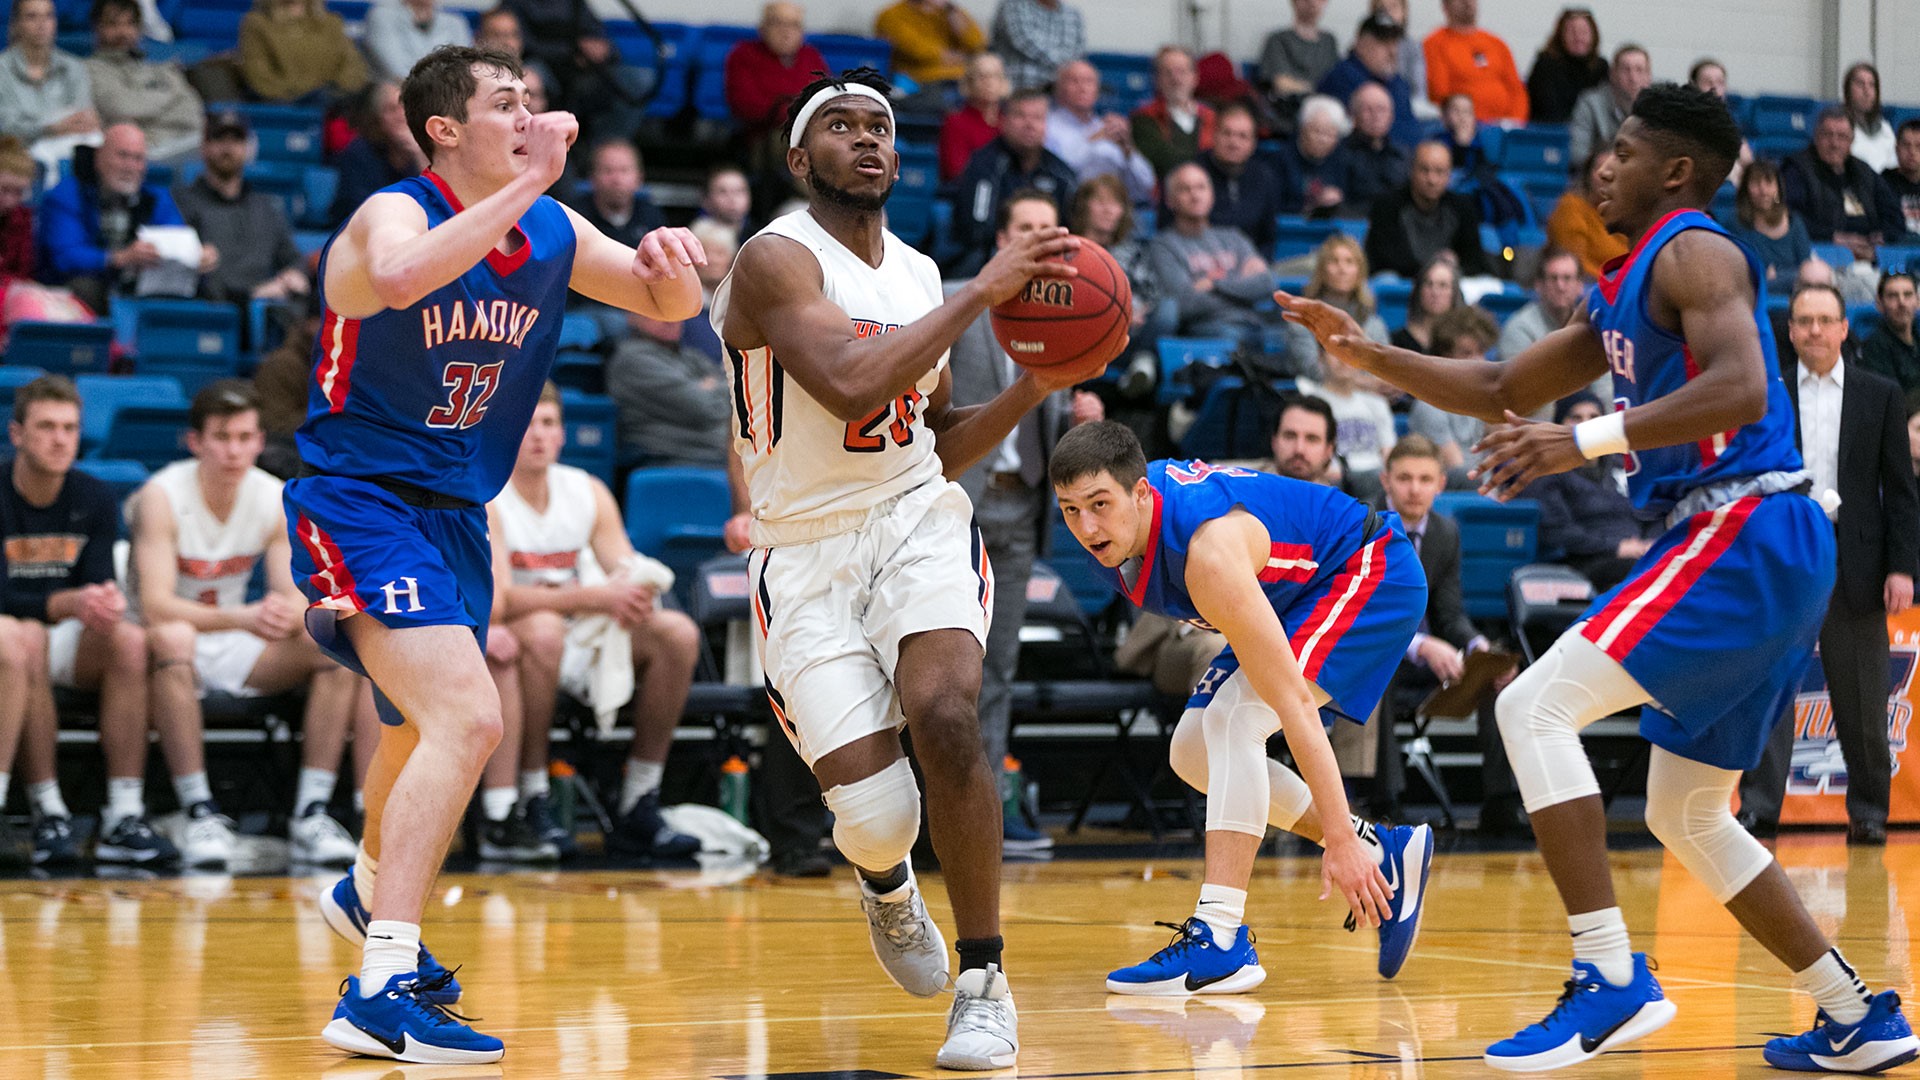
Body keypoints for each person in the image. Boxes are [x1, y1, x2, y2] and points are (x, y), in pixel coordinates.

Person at [1279, 81, 1920, 1074]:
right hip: (1744, 538)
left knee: (1531, 706)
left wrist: (1585, 440)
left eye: (1621, 151)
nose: (1600, 166)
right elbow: (1500, 389)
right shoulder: (1625, 284)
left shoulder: (1697, 249)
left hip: (1746, 522)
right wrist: (1365, 355)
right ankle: (1857, 1013)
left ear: (1673, 170)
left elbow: (1745, 385)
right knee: (1687, 811)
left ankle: (1609, 977)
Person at [293, 45, 704, 1063]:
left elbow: (670, 311)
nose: (531, 113)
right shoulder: (394, 213)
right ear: (443, 128)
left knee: (411, 736)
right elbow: (394, 278)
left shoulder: (552, 227)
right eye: (505, 101)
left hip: (455, 515)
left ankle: (361, 895)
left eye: (533, 98)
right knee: (470, 716)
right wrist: (531, 180)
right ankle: (381, 983)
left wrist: (678, 269)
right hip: (362, 497)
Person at [712, 66, 1088, 1069]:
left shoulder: (920, 274)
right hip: (801, 550)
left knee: (950, 713)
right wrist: (985, 290)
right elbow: (845, 385)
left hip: (916, 518)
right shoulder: (772, 260)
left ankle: (985, 982)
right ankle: (886, 884)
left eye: (880, 125)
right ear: (800, 159)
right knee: (878, 819)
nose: (867, 139)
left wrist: (1038, 385)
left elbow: (935, 439)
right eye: (840, 126)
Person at [1048, 421, 1434, 992]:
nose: (1087, 526)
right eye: (1070, 510)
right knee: (1191, 752)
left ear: (1139, 493)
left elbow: (1297, 707)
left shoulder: (1207, 555)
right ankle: (1386, 850)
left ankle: (1221, 935)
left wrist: (1338, 841)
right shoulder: (1124, 533)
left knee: (1238, 720)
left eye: (1099, 504)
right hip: (1299, 593)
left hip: (1368, 571)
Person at [130, 381, 365, 869]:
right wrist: (243, 617)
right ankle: (199, 810)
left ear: (260, 441)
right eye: (222, 437)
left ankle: (311, 812)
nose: (234, 450)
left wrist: (287, 610)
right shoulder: (162, 495)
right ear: (196, 442)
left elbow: (287, 589)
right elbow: (155, 606)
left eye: (244, 437)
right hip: (165, 647)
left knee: (331, 643)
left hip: (233, 640)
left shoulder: (273, 495)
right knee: (172, 636)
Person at [489, 385, 705, 860]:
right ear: (505, 432)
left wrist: (634, 592)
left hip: (583, 630)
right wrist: (593, 597)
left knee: (678, 634)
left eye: (547, 423)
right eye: (526, 425)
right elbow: (499, 601)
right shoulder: (490, 496)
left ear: (563, 434)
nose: (538, 436)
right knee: (544, 629)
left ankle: (640, 797)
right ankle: (531, 795)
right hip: (521, 636)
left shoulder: (586, 490)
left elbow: (622, 569)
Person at [1737, 283, 1919, 846]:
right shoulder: (1768, 398)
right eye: (1804, 321)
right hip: (1784, 553)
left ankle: (1868, 811)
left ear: (1845, 329)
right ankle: (1760, 806)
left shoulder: (1880, 394)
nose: (1814, 330)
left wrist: (1902, 568)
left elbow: (1901, 490)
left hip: (1855, 557)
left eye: (1825, 320)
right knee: (1771, 687)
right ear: (1789, 332)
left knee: (1863, 692)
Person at [949, 189, 1090, 854]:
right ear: (1003, 236)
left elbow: (1043, 414)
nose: (1037, 239)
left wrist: (1077, 418)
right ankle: (927, 811)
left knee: (999, 668)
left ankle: (986, 815)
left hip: (1020, 507)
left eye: (1048, 230)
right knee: (949, 668)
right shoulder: (960, 300)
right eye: (1024, 227)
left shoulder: (1069, 311)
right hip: (953, 505)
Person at [2, 376, 167, 868]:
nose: (59, 439)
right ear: (17, 434)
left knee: (129, 641)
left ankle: (124, 812)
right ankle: (48, 808)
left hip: (58, 633)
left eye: (70, 428)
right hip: (10, 640)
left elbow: (95, 581)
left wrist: (102, 603)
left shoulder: (93, 496)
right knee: (24, 636)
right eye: (46, 427)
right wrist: (68, 604)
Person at [1372, 434, 1516, 825]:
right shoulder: (1365, 525)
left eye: (1424, 479)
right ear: (1386, 481)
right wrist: (1421, 646)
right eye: (1404, 478)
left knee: (1497, 673)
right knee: (1376, 672)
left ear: (1440, 484)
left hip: (1424, 657)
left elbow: (1450, 613)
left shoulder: (1445, 532)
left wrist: (1478, 646)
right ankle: (1386, 801)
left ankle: (1501, 802)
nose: (1414, 489)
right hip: (1371, 649)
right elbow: (1365, 614)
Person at [35, 123, 211, 315]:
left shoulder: (155, 198)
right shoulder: (65, 195)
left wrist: (197, 257)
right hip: (78, 289)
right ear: (98, 158)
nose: (130, 167)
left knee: (204, 292)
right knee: (85, 288)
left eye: (138, 158)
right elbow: (65, 257)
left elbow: (175, 238)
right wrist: (118, 258)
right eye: (122, 156)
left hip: (138, 285)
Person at [173, 110, 308, 306]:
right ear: (204, 146)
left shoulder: (266, 208)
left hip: (264, 312)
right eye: (219, 138)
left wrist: (293, 274)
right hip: (211, 313)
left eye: (236, 139)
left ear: (248, 148)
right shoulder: (182, 202)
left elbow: (293, 259)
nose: (228, 147)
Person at [1521, 392, 1649, 591]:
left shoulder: (1623, 464)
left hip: (1637, 551)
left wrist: (1651, 543)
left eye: (1594, 418)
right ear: (1559, 426)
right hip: (1580, 563)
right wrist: (1616, 547)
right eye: (1576, 418)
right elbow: (1557, 532)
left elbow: (1651, 511)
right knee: (1638, 571)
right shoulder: (1546, 471)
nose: (1586, 424)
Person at [949, 88, 1075, 275]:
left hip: (1049, 261)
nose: (1029, 124)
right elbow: (976, 230)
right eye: (1020, 116)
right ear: (1004, 121)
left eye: (1037, 118)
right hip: (989, 260)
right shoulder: (984, 165)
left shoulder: (1062, 173)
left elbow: (1072, 232)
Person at [1150, 162, 1276, 345]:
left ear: (1211, 194)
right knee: (1233, 337)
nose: (1195, 195)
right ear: (1170, 200)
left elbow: (1267, 283)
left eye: (1201, 187)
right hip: (1210, 331)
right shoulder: (1164, 246)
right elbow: (1183, 305)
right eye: (1185, 189)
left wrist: (1214, 285)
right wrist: (1243, 290)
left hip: (1254, 325)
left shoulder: (1234, 237)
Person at [501, 0, 649, 146]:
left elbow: (601, 37)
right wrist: (571, 52)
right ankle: (534, 143)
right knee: (530, 80)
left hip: (580, 71)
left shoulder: (575, 3)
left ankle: (606, 151)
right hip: (542, 65)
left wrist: (603, 50)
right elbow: (521, 43)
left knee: (635, 80)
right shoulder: (515, 3)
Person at [606, 307, 733, 467]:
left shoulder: (689, 355)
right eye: (657, 310)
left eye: (674, 309)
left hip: (713, 455)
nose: (670, 318)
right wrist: (718, 386)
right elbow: (705, 407)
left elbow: (737, 394)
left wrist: (712, 387)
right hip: (670, 460)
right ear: (631, 316)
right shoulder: (632, 360)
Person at [86, 0, 202, 166]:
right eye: (113, 24)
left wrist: (143, 112)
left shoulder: (159, 69)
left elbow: (192, 114)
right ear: (97, 28)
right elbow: (123, 108)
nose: (123, 32)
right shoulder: (89, 69)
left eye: (129, 24)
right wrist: (172, 92)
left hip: (182, 146)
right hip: (135, 152)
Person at [1781, 108, 1903, 263]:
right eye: (1827, 135)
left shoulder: (1864, 171)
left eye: (1842, 136)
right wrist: (1832, 237)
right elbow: (1789, 217)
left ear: (1851, 141)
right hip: (1820, 254)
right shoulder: (1797, 169)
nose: (1834, 143)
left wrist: (1882, 237)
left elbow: (1895, 216)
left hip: (1868, 255)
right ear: (1816, 137)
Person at [1364, 140, 1488, 279]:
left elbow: (1474, 261)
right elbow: (1383, 260)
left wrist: (1454, 264)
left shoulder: (1463, 208)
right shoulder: (1386, 207)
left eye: (1439, 171)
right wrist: (1435, 267)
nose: (1432, 179)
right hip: (1403, 285)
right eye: (1424, 170)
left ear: (1449, 175)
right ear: (1411, 170)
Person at [0, 0, 99, 169]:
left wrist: (53, 127)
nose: (41, 24)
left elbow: (83, 118)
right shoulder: (2, 69)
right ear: (16, 24)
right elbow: (6, 126)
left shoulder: (74, 67)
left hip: (68, 146)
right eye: (32, 17)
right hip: (16, 154)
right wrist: (49, 128)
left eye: (48, 16)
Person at [725, 2, 830, 159]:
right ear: (763, 28)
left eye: (794, 25)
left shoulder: (811, 56)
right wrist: (798, 114)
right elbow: (746, 106)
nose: (786, 31)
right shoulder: (743, 55)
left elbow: (826, 99)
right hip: (765, 136)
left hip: (812, 132)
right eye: (778, 23)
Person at [1407, 305, 1498, 485]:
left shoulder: (1483, 399)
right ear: (1445, 358)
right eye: (1467, 353)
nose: (1478, 362)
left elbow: (1506, 449)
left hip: (1485, 490)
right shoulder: (1429, 406)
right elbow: (1458, 469)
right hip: (1451, 491)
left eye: (1481, 352)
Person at [1045, 60, 1153, 204]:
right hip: (1069, 206)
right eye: (1074, 81)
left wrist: (1127, 150)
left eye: (1088, 81)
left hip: (1115, 206)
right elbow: (1056, 171)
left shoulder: (1108, 127)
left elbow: (1147, 184)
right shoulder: (1047, 125)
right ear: (1059, 88)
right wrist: (1094, 140)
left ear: (1097, 89)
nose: (1082, 87)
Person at [1283, 233, 1389, 380]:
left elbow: (1383, 372)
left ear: (1360, 271)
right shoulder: (1302, 321)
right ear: (1322, 270)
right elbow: (1313, 372)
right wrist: (1367, 384)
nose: (1342, 269)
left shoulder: (1374, 324)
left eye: (1349, 262)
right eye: (1334, 261)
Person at [1298, 351, 1394, 502]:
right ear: (1320, 359)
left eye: (1350, 353)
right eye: (1334, 352)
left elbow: (1389, 452)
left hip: (1375, 477)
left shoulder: (1377, 403)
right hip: (1336, 477)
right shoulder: (1313, 403)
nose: (1343, 359)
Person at [328, 81, 428, 226]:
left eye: (407, 107)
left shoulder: (428, 151)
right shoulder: (358, 154)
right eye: (392, 109)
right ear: (377, 118)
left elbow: (439, 202)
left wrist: (419, 154)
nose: (401, 116)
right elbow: (360, 210)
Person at [1318, 13, 1420, 150]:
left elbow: (1411, 130)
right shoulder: (1343, 77)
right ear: (1360, 45)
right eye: (1383, 43)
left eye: (1395, 43)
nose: (1392, 51)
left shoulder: (1398, 82)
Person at [238, 0, 368, 105]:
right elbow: (258, 75)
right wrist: (301, 92)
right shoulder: (257, 24)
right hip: (283, 105)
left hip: (333, 102)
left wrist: (337, 90)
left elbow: (352, 67)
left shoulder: (332, 23)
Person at [1421, 0, 1525, 122]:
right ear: (1445, 6)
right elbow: (1439, 95)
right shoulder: (1434, 44)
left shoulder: (1497, 43)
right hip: (1465, 128)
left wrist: (1514, 122)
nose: (1467, 2)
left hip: (1506, 127)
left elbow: (1517, 91)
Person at [1718, 159, 1813, 292]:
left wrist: (1777, 277)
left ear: (1778, 188)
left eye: (1769, 182)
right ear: (1746, 189)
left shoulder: (1794, 222)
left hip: (1794, 294)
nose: (1763, 190)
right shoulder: (1734, 223)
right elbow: (1729, 269)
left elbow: (1806, 268)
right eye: (1756, 183)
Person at [1198, 103, 1282, 253]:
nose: (1234, 143)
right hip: (1200, 261)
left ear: (1253, 143)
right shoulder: (1193, 173)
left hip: (1249, 265)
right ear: (1214, 135)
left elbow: (1268, 238)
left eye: (1242, 136)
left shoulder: (1264, 177)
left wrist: (1256, 265)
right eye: (1227, 134)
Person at [1131, 46, 1215, 180]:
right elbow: (1162, 161)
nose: (1175, 79)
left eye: (1182, 71)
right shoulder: (1143, 118)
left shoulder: (1213, 117)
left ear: (1195, 77)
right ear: (1157, 80)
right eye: (1168, 72)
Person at [1548, 150, 1629, 280]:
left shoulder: (1629, 214)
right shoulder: (1571, 208)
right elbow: (1574, 266)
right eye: (1599, 168)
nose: (1605, 175)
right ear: (1588, 175)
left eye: (1613, 169)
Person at [570, 140, 664, 250]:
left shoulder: (651, 216)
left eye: (624, 171)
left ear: (639, 177)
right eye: (608, 171)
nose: (616, 179)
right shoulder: (575, 217)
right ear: (592, 177)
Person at [1567, 44, 1649, 167]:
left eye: (1639, 70)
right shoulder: (1590, 103)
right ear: (1612, 74)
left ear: (1649, 76)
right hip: (1598, 175)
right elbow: (1577, 153)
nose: (1633, 78)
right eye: (1626, 70)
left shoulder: (1658, 108)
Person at [874, 0, 984, 91]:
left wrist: (954, 15)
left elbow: (977, 45)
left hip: (961, 78)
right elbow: (918, 52)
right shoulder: (891, 15)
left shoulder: (949, 11)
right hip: (920, 81)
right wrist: (964, 58)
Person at [1259, 0, 1340, 121]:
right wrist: (1318, 91)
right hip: (1289, 114)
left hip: (1326, 115)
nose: (1312, 3)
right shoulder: (1278, 40)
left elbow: (1335, 81)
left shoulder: (1329, 41)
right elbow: (1281, 83)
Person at [1525, 7, 1606, 126]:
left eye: (1584, 32)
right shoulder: (1545, 65)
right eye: (1571, 32)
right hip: (1551, 133)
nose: (1578, 38)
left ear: (1594, 35)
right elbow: (1546, 109)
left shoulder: (1601, 67)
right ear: (1560, 35)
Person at [1339, 82, 1409, 216]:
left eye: (1381, 109)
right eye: (1367, 109)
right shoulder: (1339, 153)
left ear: (1391, 116)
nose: (1375, 116)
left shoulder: (1403, 155)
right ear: (1353, 115)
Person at [365, 0, 474, 83]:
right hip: (398, 90)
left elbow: (463, 66)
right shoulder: (382, 16)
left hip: (447, 91)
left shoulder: (456, 22)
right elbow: (395, 70)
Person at [1276, 94, 1348, 218]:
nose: (1323, 139)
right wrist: (1314, 206)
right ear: (1302, 129)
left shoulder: (1341, 160)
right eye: (1317, 132)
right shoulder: (1280, 161)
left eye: (1330, 134)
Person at [988, 0, 1083, 93]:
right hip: (1021, 88)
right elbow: (1024, 41)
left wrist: (1070, 70)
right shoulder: (1014, 5)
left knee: (1082, 85)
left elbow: (1078, 50)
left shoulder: (1072, 14)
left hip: (1061, 87)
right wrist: (1067, 66)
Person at [941, 52, 1008, 182]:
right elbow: (956, 170)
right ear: (969, 83)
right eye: (982, 77)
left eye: (995, 76)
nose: (989, 83)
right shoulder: (956, 121)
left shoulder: (1009, 121)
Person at [1390, 254, 1462, 354]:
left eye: (1443, 285)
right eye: (1428, 284)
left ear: (1454, 293)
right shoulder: (1397, 342)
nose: (1435, 292)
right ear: (1419, 290)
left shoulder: (1463, 344)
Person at [1861, 271, 1920, 394]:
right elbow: (1889, 401)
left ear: (1918, 301)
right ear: (1880, 303)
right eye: (1893, 296)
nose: (1902, 303)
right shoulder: (1874, 347)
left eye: (1908, 295)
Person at [1267, 391, 1343, 486]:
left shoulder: (1341, 500)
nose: (1299, 449)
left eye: (1312, 439)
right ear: (1274, 442)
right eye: (1290, 436)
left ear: (1329, 450)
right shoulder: (1246, 493)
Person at [1843, 62, 1896, 175]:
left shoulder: (1886, 130)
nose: (1867, 91)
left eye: (1872, 85)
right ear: (1848, 89)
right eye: (1860, 84)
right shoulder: (1839, 127)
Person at [1885, 120, 1920, 244]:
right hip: (1897, 251)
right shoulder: (1883, 183)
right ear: (1897, 148)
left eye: (1918, 146)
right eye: (1906, 145)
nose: (1912, 152)